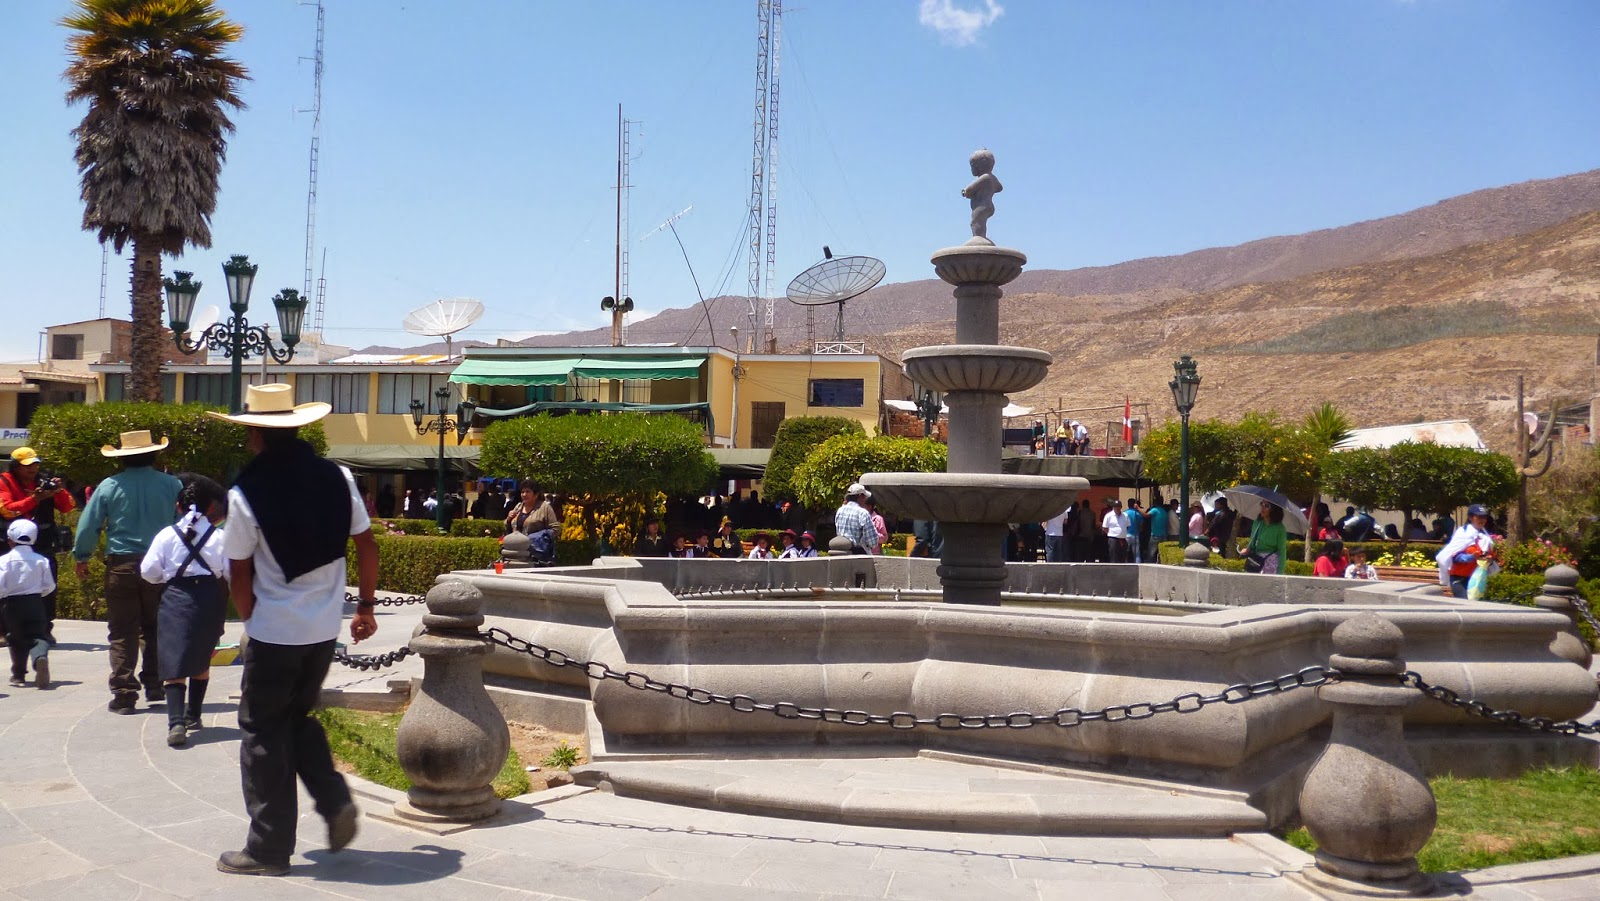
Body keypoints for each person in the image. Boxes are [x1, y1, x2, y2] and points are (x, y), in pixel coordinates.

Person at [207, 384, 378, 877]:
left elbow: (239, 570)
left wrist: (251, 616)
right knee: (297, 717)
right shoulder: (337, 476)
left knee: (262, 732)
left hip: (275, 631)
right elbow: (366, 545)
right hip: (324, 630)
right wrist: (365, 607)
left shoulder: (245, 494)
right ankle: (332, 798)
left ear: (255, 435)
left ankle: (267, 848)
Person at [72, 430, 183, 714]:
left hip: (121, 565)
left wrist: (81, 556)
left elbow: (88, 525)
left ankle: (124, 694)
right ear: (154, 455)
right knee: (157, 626)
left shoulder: (109, 486)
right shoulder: (172, 485)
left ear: (122, 459)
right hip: (160, 565)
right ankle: (157, 684)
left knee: (122, 630)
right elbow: (182, 524)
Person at [140, 473, 230, 748]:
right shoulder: (219, 536)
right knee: (202, 658)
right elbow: (229, 571)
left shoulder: (166, 535)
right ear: (210, 508)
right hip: (209, 598)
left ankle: (176, 723)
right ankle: (194, 715)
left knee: (173, 660)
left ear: (178, 506)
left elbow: (148, 572)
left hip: (176, 597)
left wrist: (165, 579)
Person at [1, 446, 75, 644]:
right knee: (6, 585)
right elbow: (7, 510)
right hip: (11, 542)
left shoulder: (44, 481)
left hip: (43, 541)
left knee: (47, 585)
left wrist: (58, 491)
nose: (32, 469)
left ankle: (45, 628)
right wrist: (35, 499)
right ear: (15, 467)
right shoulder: (4, 482)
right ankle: (3, 629)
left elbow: (67, 507)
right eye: (27, 466)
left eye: (35, 464)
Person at [1, 519, 55, 689]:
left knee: (15, 638)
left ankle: (18, 675)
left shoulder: (4, 560)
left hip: (12, 604)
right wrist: (39, 594)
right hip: (35, 603)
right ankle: (40, 658)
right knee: (38, 635)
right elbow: (50, 585)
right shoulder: (41, 560)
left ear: (10, 540)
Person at [1436, 504, 1496, 599]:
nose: (1482, 520)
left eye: (1484, 517)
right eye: (1479, 517)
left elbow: (1491, 557)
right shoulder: (1463, 533)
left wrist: (1489, 560)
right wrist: (1471, 557)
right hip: (1459, 579)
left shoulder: (1485, 537)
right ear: (1470, 517)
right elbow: (1455, 557)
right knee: (1466, 604)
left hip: (1477, 579)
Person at [505, 484, 559, 564]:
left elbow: (555, 528)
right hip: (515, 552)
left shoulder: (544, 508)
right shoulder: (519, 506)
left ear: (536, 494)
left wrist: (536, 538)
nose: (524, 494)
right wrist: (509, 519)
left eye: (528, 492)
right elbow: (507, 525)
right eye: (522, 492)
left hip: (536, 554)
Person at [1244, 502, 1289, 575]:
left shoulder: (1280, 528)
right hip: (1256, 561)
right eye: (1261, 504)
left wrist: (1280, 572)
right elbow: (1252, 543)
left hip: (1271, 563)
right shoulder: (1257, 523)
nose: (1262, 507)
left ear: (1273, 509)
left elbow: (1282, 551)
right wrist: (1247, 549)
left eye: (1266, 506)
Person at [834, 483, 880, 555]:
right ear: (860, 496)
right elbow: (873, 542)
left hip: (842, 553)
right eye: (864, 497)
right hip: (859, 554)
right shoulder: (863, 513)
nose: (865, 500)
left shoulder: (840, 511)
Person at [1146, 494, 1169, 563]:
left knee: (1151, 553)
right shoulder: (1164, 511)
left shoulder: (1155, 510)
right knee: (1161, 553)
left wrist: (1138, 508)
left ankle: (1150, 565)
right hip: (1163, 535)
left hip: (1155, 535)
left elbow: (1146, 515)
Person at [1124, 499, 1146, 564]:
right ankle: (1138, 565)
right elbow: (1142, 526)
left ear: (1128, 504)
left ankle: (1124, 564)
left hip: (1126, 534)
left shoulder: (1124, 513)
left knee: (1125, 552)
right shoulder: (1138, 513)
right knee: (1136, 553)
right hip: (1136, 535)